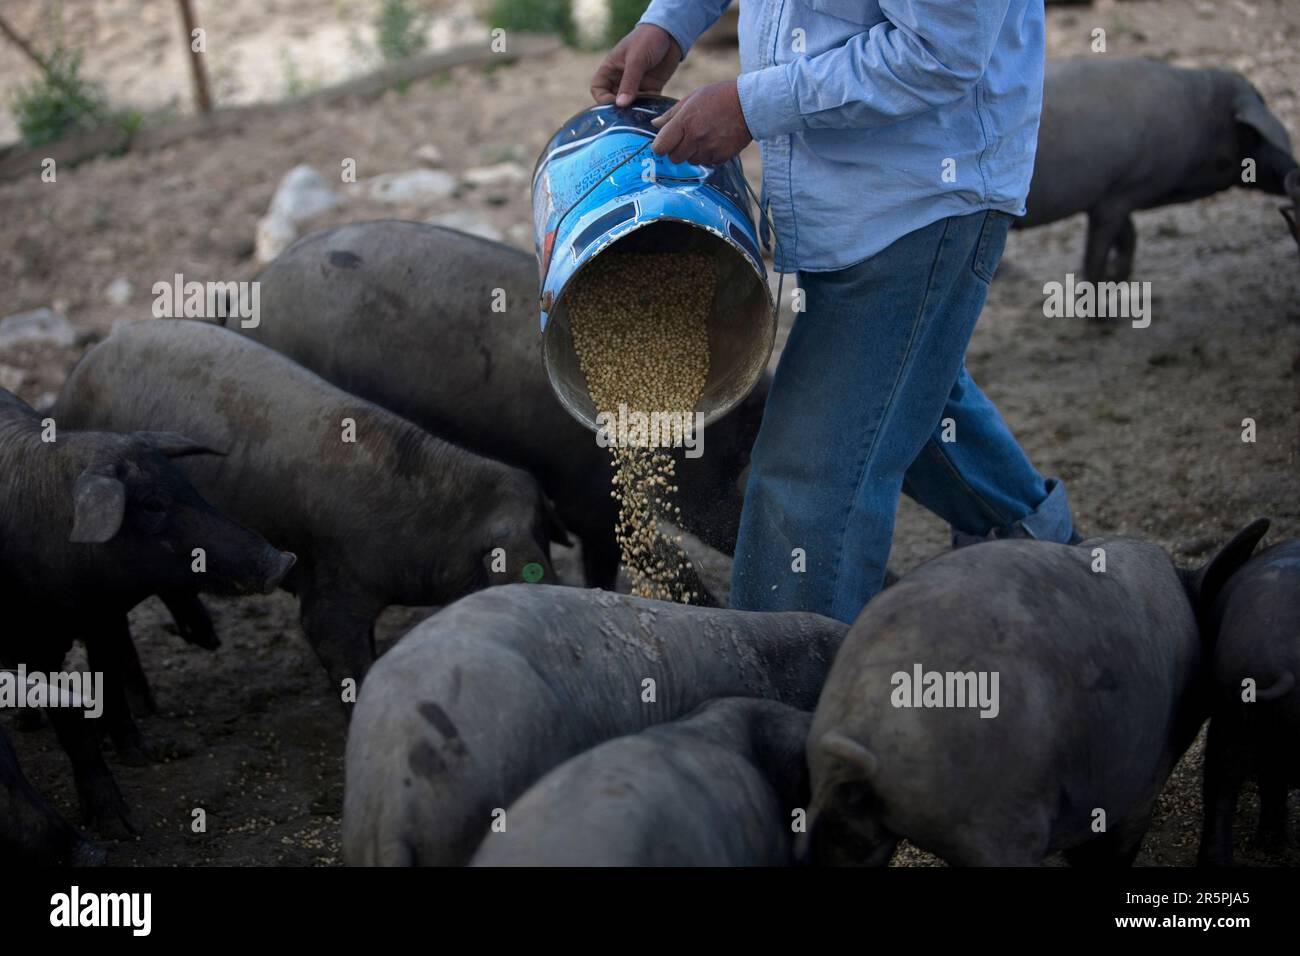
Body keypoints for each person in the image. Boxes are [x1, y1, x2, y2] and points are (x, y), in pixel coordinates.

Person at [591, 0, 1078, 625]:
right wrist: (671, 22)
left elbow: (942, 51)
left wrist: (749, 105)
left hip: (920, 194)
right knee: (902, 390)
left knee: (805, 482)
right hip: (838, 186)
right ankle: (1055, 567)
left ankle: (781, 701)